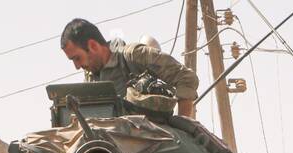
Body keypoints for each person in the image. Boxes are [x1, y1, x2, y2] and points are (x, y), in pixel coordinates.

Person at [61, 18, 198, 118]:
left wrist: (182, 124)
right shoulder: (91, 77)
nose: (77, 67)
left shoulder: (134, 56)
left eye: (77, 58)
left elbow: (186, 78)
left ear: (93, 46)